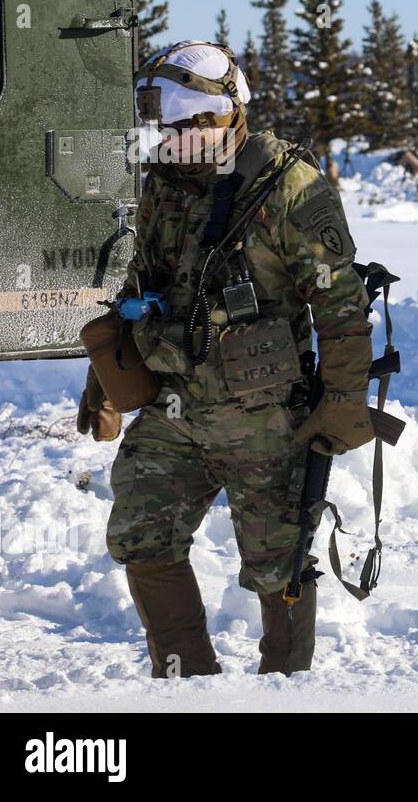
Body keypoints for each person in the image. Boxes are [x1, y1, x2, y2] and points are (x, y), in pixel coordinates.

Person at [76, 40, 374, 678]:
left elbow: (342, 305)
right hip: (174, 406)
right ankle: (187, 683)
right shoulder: (165, 185)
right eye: (160, 133)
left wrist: (344, 403)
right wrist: (104, 379)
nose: (167, 145)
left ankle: (282, 690)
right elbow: (141, 285)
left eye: (180, 132)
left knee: (278, 563)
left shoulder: (288, 185)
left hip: (264, 418)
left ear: (222, 117)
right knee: (141, 535)